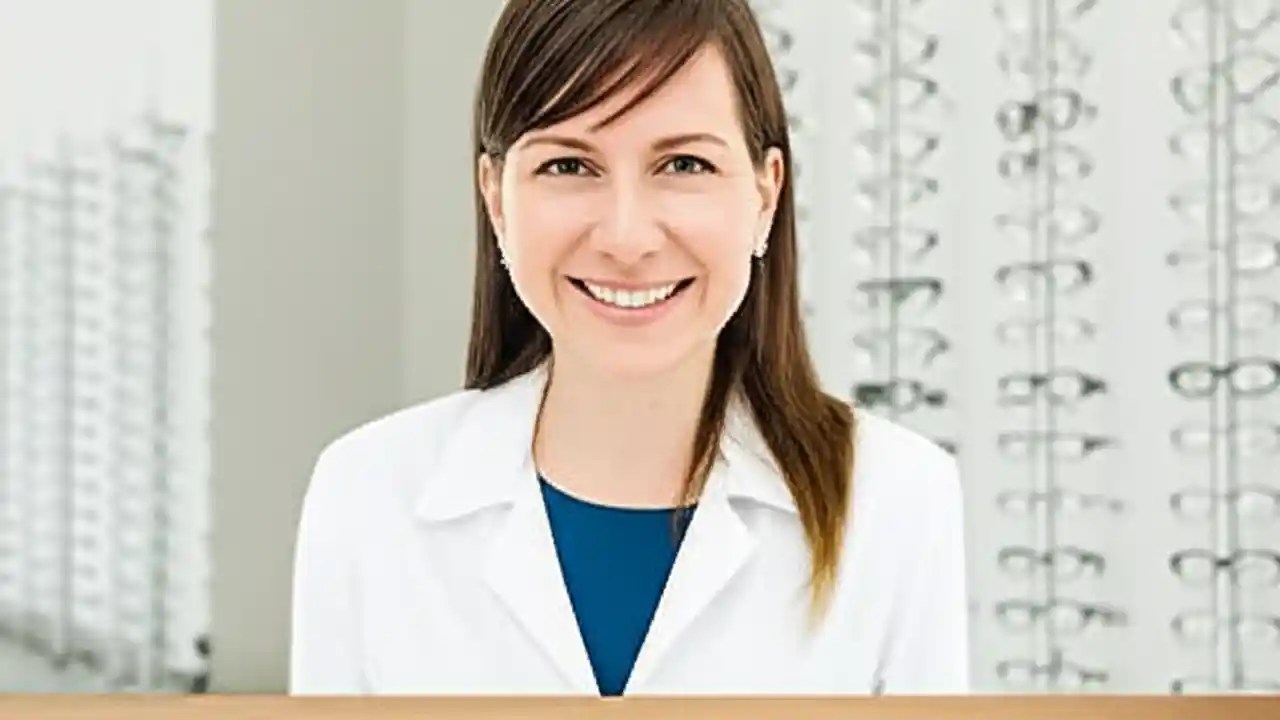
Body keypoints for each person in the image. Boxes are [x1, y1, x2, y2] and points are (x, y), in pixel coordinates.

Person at [290, 0, 969, 696]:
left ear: (766, 195)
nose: (626, 236)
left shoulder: (896, 497)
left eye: (683, 163)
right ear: (495, 198)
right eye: (568, 167)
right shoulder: (367, 494)